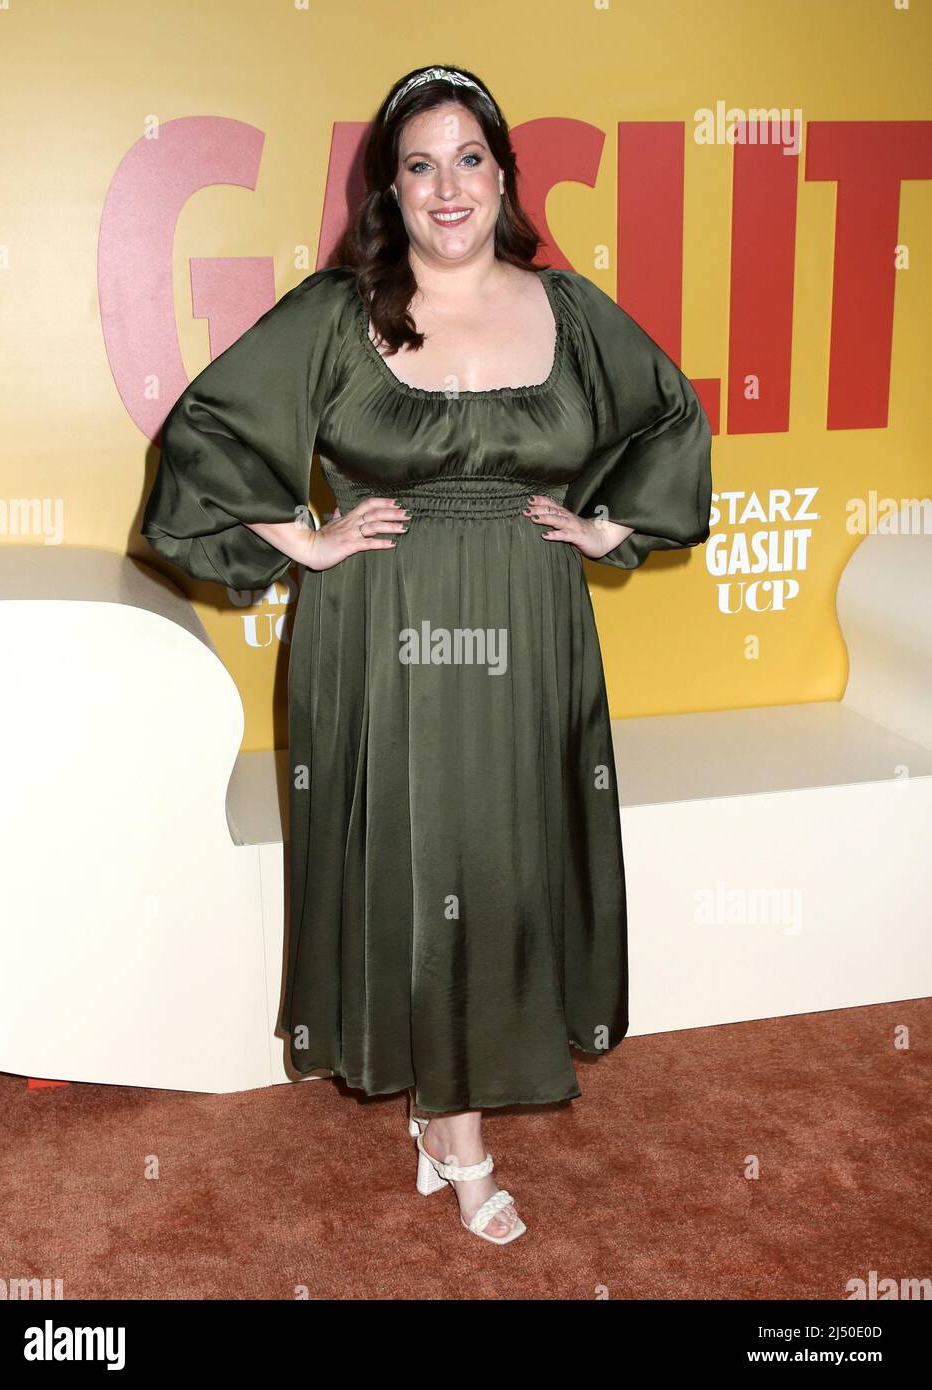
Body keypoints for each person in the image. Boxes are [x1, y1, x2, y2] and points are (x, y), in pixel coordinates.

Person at [141, 64, 712, 1245]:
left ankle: (439, 1100)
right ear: (387, 187)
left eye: (468, 159)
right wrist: (303, 537)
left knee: (499, 866)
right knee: (421, 853)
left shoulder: (568, 308)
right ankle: (458, 1137)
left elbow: (667, 413)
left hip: (530, 619)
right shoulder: (340, 308)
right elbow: (203, 428)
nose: (446, 187)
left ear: (503, 176)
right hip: (384, 624)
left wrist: (608, 525)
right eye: (418, 164)